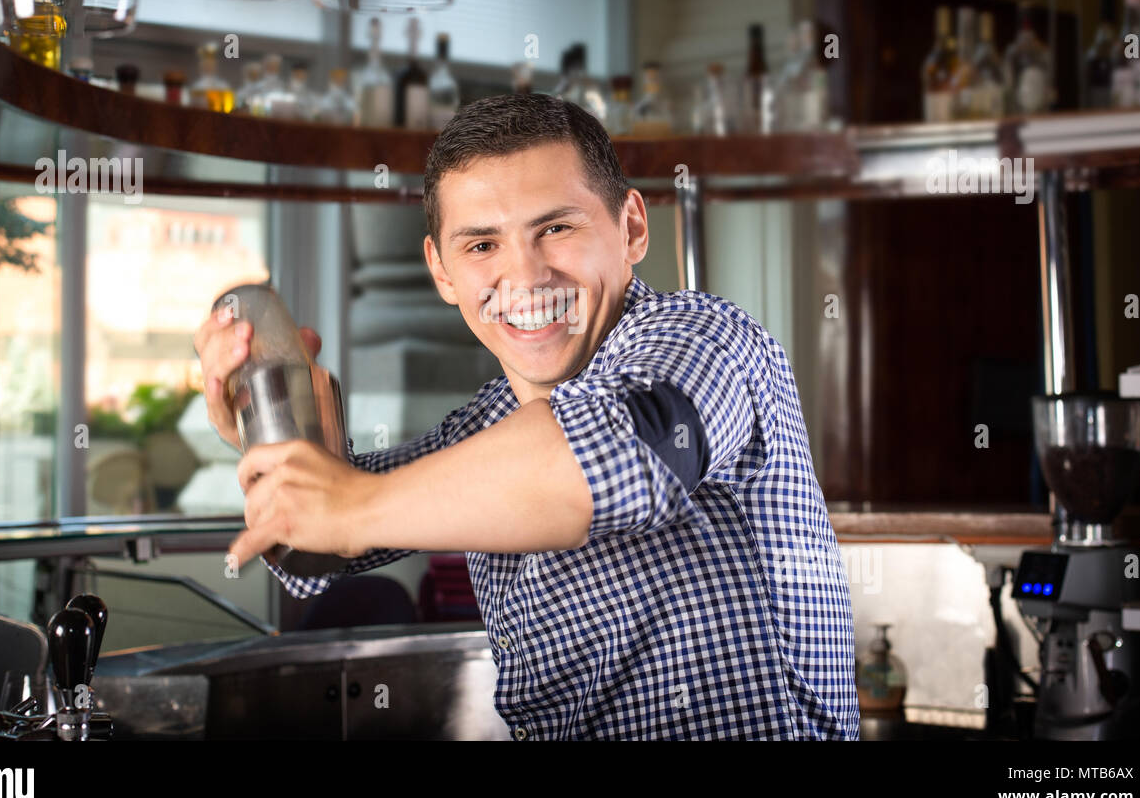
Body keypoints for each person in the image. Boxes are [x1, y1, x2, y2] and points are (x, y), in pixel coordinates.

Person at [194, 93, 859, 740]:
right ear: (442, 270)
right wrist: (270, 430)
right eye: (482, 245)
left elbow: (631, 453)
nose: (526, 276)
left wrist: (348, 504)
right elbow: (317, 552)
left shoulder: (705, 337)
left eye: (556, 227)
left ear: (630, 226)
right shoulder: (484, 427)